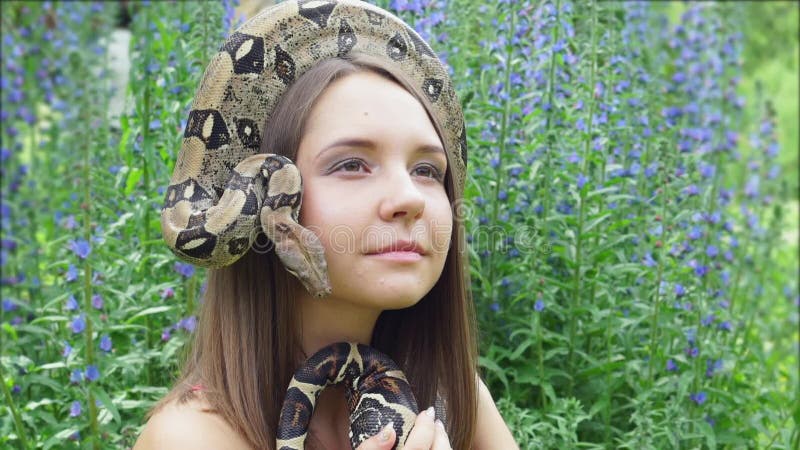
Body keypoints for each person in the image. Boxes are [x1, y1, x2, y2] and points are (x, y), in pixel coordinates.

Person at [134, 1, 517, 449]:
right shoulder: (192, 438)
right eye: (353, 164)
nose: (411, 198)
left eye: (428, 170)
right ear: (265, 201)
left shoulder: (457, 396)